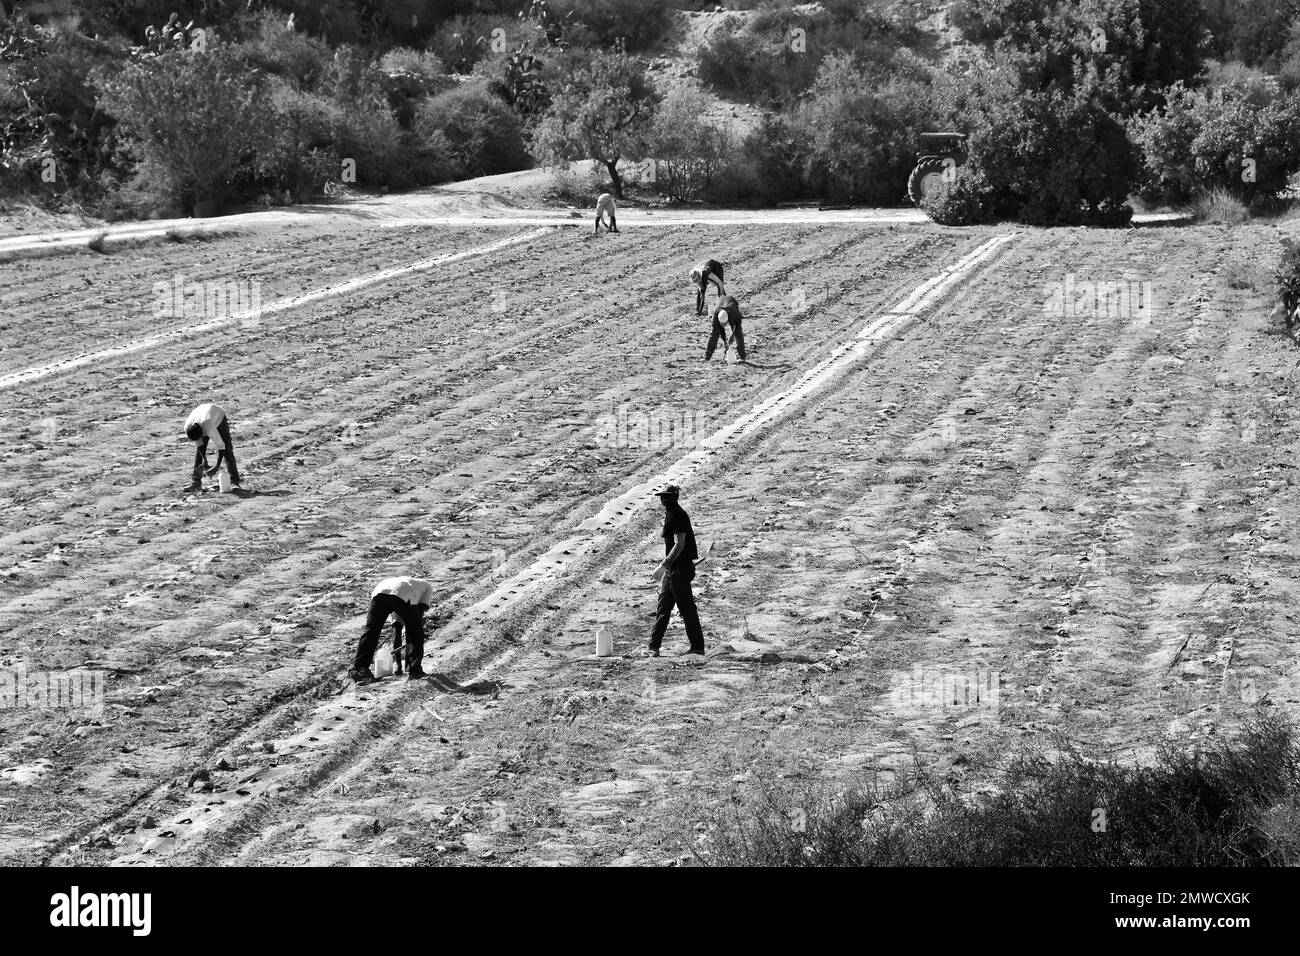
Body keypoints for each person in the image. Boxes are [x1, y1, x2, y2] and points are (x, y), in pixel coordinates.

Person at [648, 485, 705, 657]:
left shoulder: (678, 515)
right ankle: (653, 646)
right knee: (663, 607)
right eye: (662, 497)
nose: (664, 500)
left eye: (667, 497)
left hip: (679, 570)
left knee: (686, 609)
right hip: (673, 570)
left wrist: (663, 565)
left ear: (674, 497)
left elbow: (679, 544)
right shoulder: (671, 513)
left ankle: (697, 647)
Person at [350, 576, 439, 684]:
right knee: (415, 631)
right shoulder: (427, 586)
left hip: (379, 592)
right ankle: (414, 670)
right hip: (403, 592)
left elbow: (396, 614)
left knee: (371, 631)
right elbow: (419, 613)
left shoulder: (402, 582)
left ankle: (361, 669)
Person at [184, 402, 240, 492]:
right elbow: (199, 446)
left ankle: (234, 481)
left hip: (217, 415)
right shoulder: (188, 427)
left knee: (227, 450)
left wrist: (217, 466)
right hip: (202, 412)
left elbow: (221, 447)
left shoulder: (209, 426)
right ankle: (196, 482)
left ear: (203, 433)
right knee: (198, 454)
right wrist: (204, 460)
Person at [705, 294, 747, 363]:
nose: (724, 325)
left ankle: (742, 356)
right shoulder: (716, 314)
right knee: (714, 333)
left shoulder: (734, 314)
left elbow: (736, 327)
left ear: (728, 319)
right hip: (721, 302)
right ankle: (707, 356)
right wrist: (725, 341)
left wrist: (732, 337)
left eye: (725, 324)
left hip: (732, 303)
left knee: (738, 334)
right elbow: (719, 330)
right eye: (722, 324)